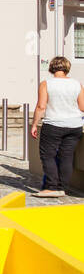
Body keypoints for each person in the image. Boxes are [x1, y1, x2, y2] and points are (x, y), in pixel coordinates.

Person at [30, 56, 84, 198]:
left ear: (52, 67)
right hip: (75, 125)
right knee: (67, 156)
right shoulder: (76, 84)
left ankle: (52, 187)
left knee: (48, 155)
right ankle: (62, 187)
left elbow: (41, 106)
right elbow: (82, 107)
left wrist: (34, 124)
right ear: (67, 67)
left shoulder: (46, 84)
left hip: (54, 125)